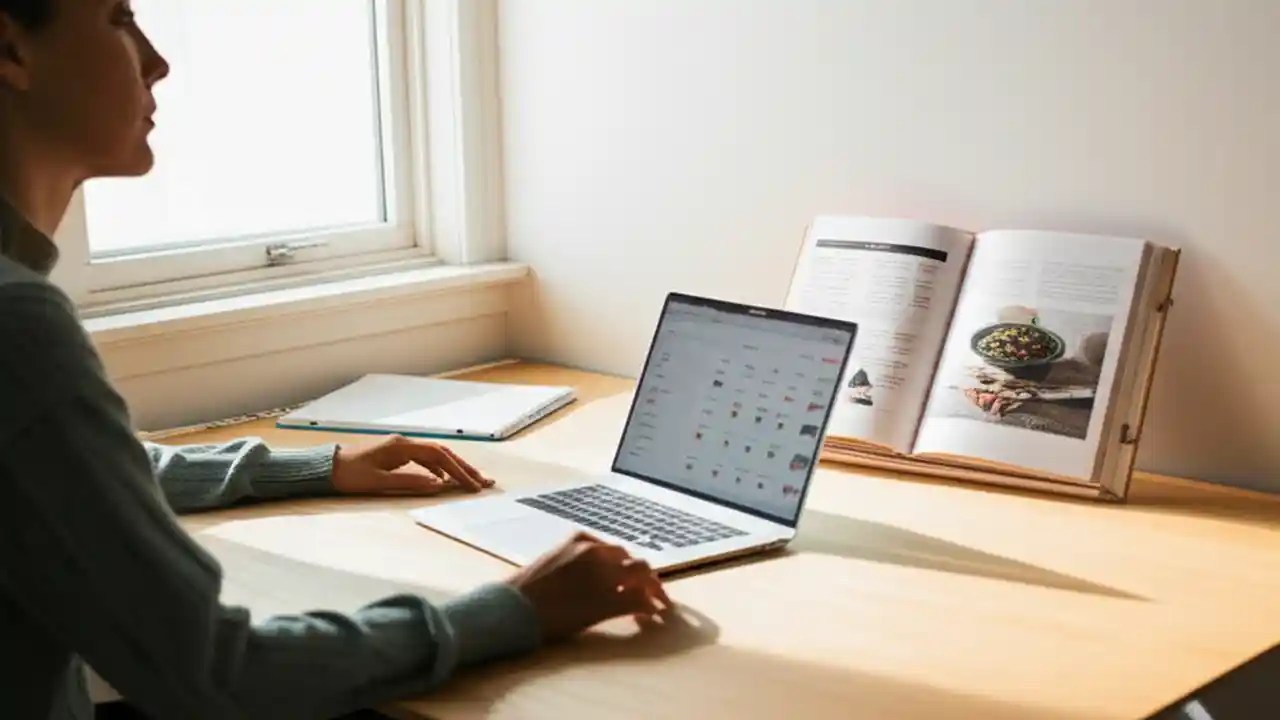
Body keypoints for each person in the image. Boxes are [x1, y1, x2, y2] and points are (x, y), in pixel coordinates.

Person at [0, 2, 671, 719]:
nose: (155, 59)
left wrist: (314, 467)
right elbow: (221, 672)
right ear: (12, 48)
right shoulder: (20, 327)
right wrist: (517, 609)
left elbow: (84, 475)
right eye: (118, 19)